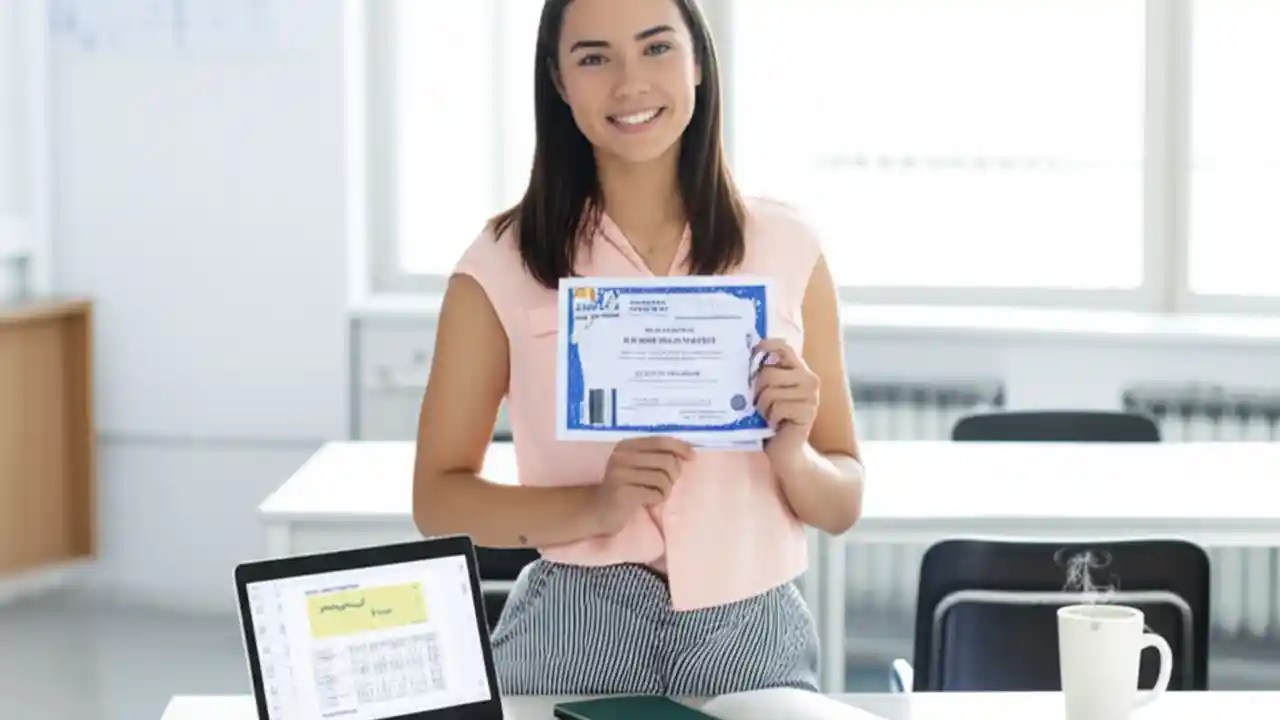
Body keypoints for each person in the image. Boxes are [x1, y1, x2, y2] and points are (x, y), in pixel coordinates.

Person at [412, 0, 865, 696]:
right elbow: (437, 500)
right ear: (559, 80)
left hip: (751, 627)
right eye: (594, 57)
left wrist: (792, 454)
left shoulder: (788, 248)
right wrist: (593, 508)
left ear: (698, 62)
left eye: (656, 48)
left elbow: (842, 503)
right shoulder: (500, 263)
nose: (630, 84)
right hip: (574, 622)